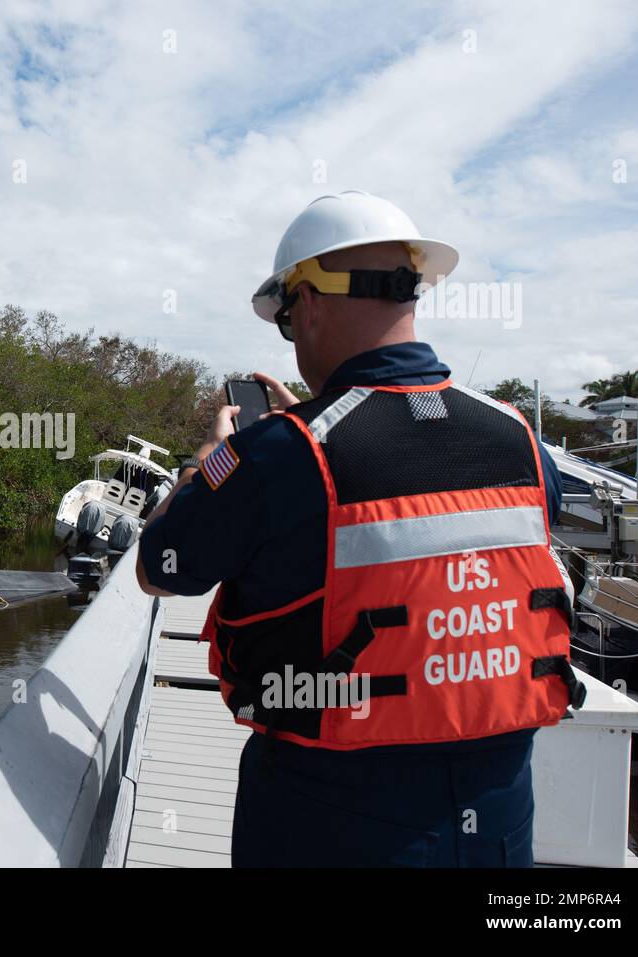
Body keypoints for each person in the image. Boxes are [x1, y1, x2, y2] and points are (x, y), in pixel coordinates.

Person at [135, 190, 583, 867]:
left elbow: (159, 566)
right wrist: (313, 422)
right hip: (495, 829)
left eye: (287, 320)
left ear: (310, 303)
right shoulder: (518, 438)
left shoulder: (283, 454)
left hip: (328, 827)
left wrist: (214, 460)